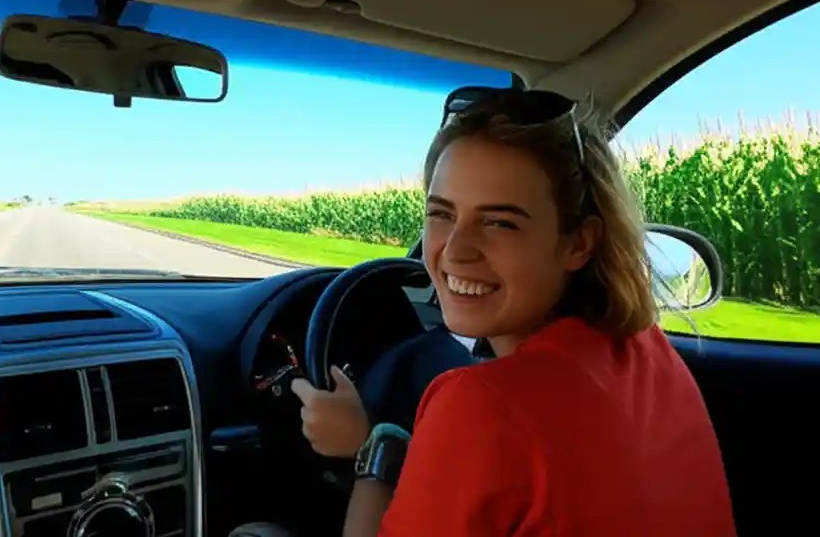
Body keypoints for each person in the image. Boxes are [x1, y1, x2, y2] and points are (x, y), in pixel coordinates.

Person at [233, 88, 735, 536]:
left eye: (500, 223)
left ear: (579, 243)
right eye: (441, 214)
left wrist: (375, 447)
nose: (455, 251)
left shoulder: (480, 404)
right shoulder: (647, 349)